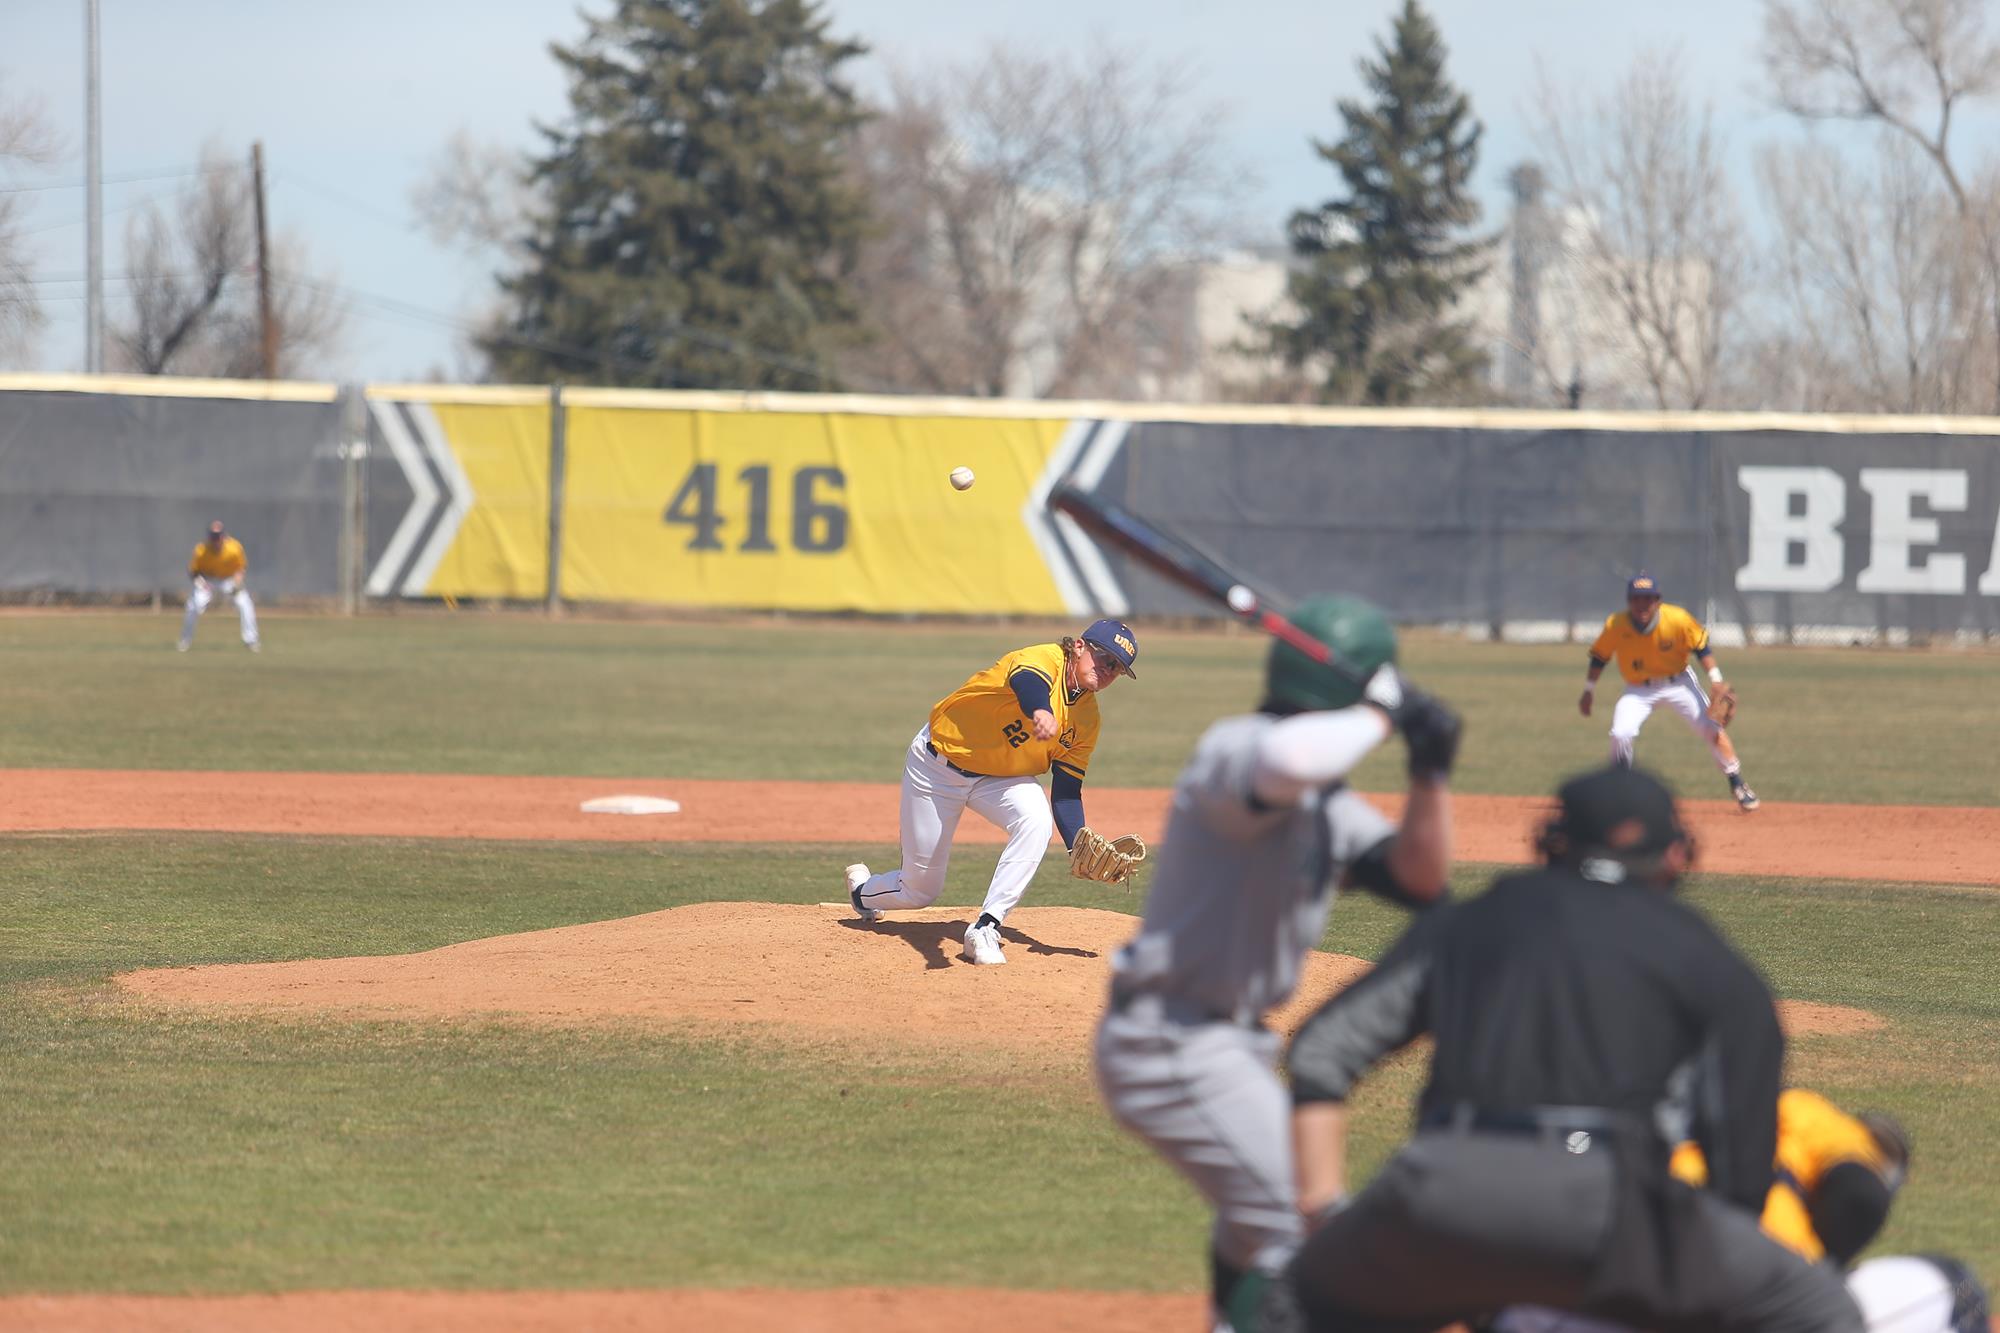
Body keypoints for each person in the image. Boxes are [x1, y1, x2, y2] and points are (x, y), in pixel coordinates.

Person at [1282, 764, 1861, 1333]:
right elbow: (1738, 1172)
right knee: (1820, 1309)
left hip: (1443, 1191)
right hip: (1607, 1201)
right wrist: (1701, 1264)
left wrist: (1323, 1209)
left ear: (1549, 842)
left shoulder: (1467, 923)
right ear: (1677, 854)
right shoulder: (1707, 957)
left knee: (1290, 1302)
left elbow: (1320, 1051)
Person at [1092, 595, 1460, 1333]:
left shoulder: (1329, 802)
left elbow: (1423, 879)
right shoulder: (1237, 748)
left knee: (1257, 1229)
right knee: (1311, 1228)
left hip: (1230, 1044)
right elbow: (1289, 758)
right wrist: (1384, 713)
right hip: (1170, 1037)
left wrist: (1429, 772)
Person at [1491, 1089, 1918, 1333]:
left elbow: (1577, 1144)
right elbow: (1861, 1196)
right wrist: (1812, 1282)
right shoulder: (1827, 1129)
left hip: (1619, 1264)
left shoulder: (1769, 1109)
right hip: (1745, 1287)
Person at [845, 619, 1137, 965]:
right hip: (937, 766)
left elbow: (1067, 791)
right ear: (1078, 647)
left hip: (998, 778)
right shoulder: (1043, 658)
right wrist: (1040, 710)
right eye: (1104, 657)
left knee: (1036, 819)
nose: (1107, 670)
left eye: (1117, 667)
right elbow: (1027, 682)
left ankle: (985, 926)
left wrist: (1077, 845)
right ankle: (863, 894)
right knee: (919, 890)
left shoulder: (1088, 720)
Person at [1579, 573, 1755, 810]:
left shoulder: (1677, 620)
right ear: (1629, 601)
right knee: (1621, 733)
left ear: (1658, 600)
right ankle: (1621, 788)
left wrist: (1715, 679)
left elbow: (1701, 647)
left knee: (1710, 727)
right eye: (1637, 599)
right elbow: (1600, 657)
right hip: (1638, 689)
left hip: (1679, 683)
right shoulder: (1616, 625)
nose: (1642, 604)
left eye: (1648, 598)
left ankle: (1737, 782)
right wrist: (1589, 690)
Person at [179, 520, 260, 653]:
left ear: (224, 536)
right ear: (209, 537)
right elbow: (192, 571)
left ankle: (251, 640)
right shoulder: (201, 550)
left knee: (245, 603)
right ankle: (185, 640)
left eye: (218, 536)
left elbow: (241, 567)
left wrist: (237, 582)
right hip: (208, 581)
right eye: (213, 536)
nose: (216, 540)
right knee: (193, 605)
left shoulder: (234, 547)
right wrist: (201, 583)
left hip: (228, 581)